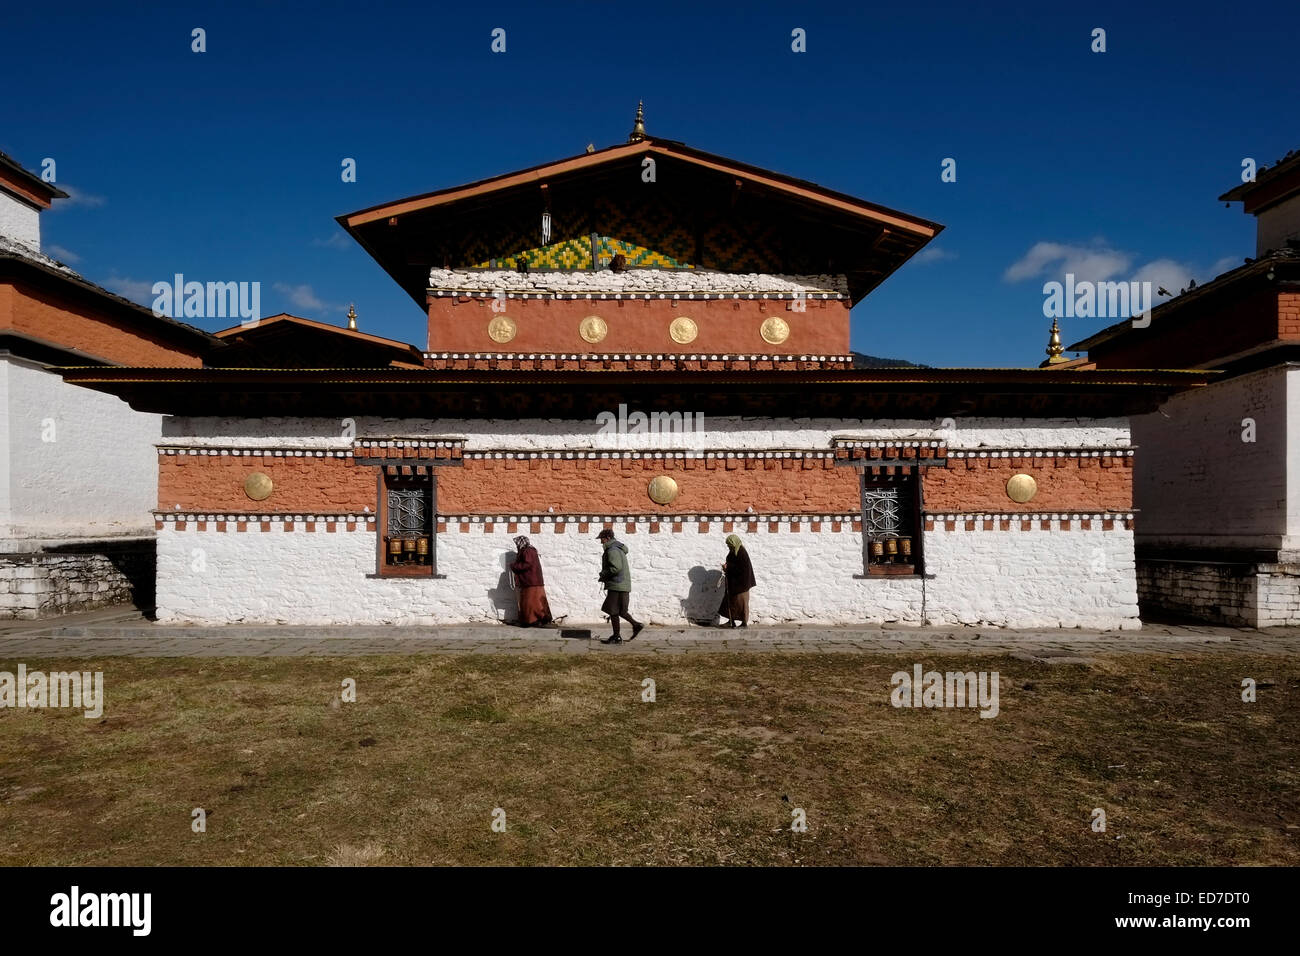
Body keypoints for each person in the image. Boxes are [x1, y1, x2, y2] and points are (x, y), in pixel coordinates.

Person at [596, 528, 644, 644]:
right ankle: (633, 627)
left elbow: (616, 568)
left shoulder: (612, 550)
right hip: (622, 584)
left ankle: (620, 635)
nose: (601, 542)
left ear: (607, 538)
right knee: (620, 611)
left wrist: (603, 574)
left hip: (616, 584)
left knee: (613, 611)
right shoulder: (619, 549)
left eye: (602, 539)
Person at [509, 535, 553, 627]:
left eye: (517, 543)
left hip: (531, 581)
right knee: (536, 601)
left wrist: (514, 566)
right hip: (533, 580)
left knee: (531, 602)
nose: (517, 545)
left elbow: (527, 564)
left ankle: (533, 620)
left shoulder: (527, 551)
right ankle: (540, 619)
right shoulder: (530, 550)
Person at [719, 533, 756, 628]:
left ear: (733, 543)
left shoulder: (741, 552)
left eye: (729, 544)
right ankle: (731, 621)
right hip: (734, 583)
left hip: (742, 584)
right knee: (731, 602)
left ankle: (744, 623)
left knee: (741, 603)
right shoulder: (734, 551)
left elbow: (742, 569)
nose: (728, 546)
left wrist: (728, 567)